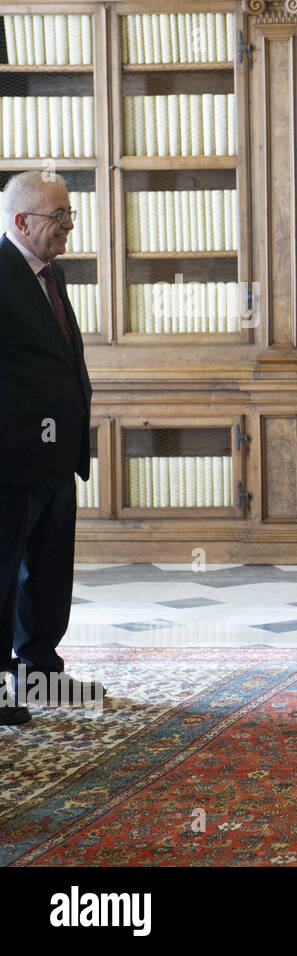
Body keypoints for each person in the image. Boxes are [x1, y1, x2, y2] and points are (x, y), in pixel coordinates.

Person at [0, 171, 103, 725]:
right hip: (11, 459)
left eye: (68, 214)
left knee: (48, 570)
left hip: (56, 454)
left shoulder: (51, 274)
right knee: (3, 572)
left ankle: (40, 671)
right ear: (22, 222)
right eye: (57, 216)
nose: (67, 225)